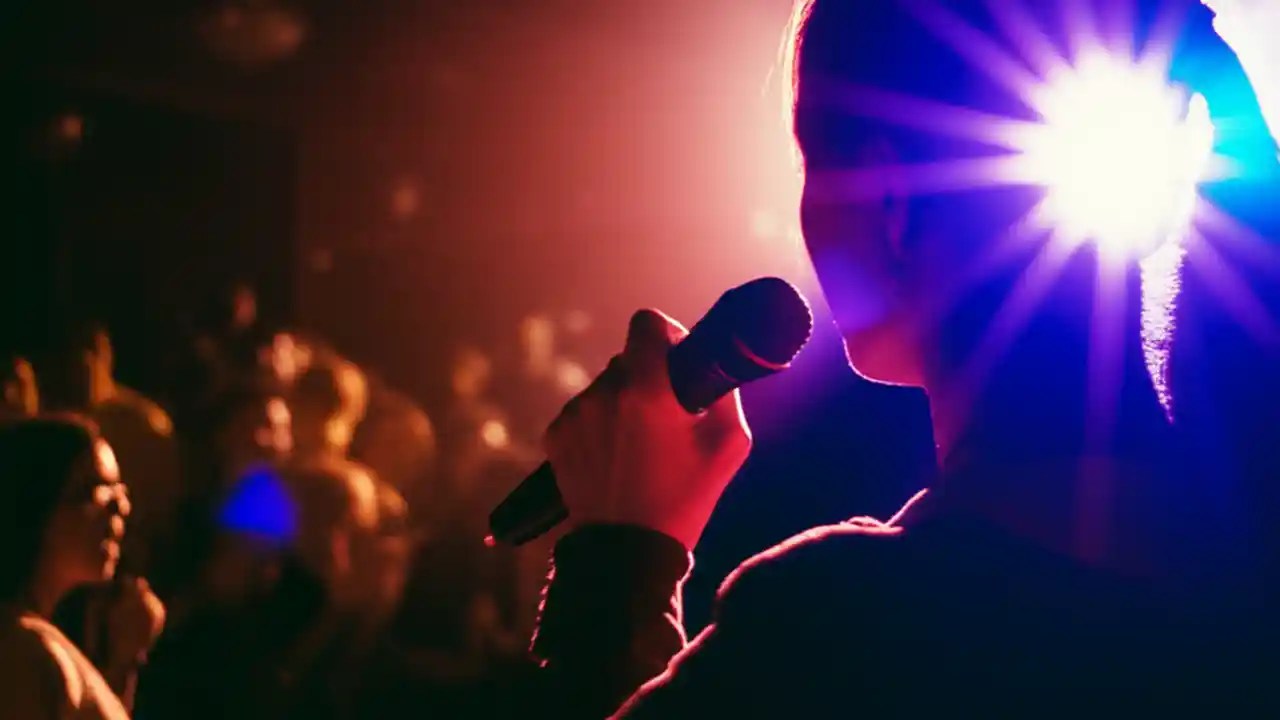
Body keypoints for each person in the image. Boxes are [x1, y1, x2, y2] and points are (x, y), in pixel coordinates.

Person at [527, 0, 1279, 716]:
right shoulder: (1242, 559)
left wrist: (621, 560)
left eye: (807, 164)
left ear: (890, 199)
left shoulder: (840, 631)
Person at [0, 417, 165, 719]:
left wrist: (124, 661)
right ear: (38, 506)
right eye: (99, 492)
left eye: (120, 491)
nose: (120, 507)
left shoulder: (39, 642)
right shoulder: (22, 652)